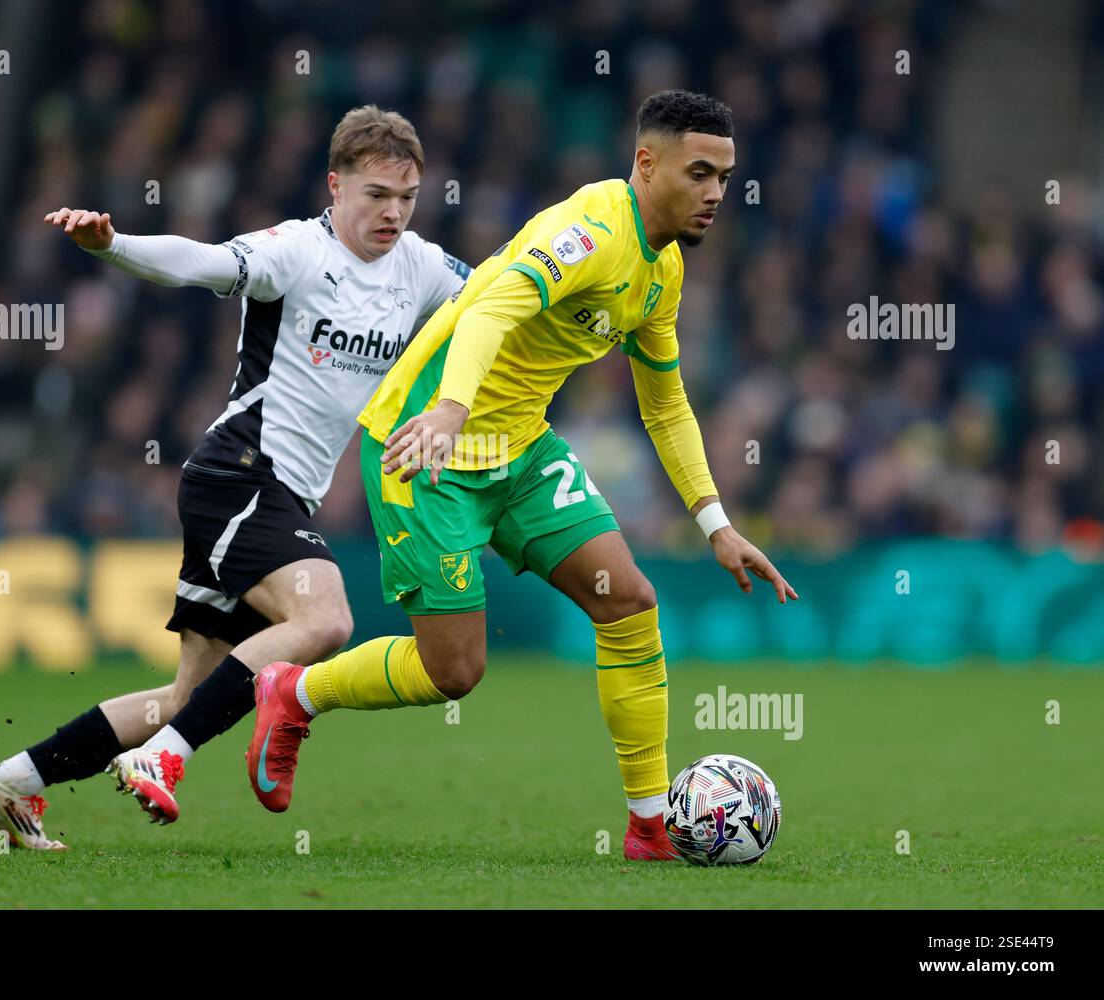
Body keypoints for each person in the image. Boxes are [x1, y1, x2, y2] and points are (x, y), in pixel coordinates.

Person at [241, 90, 798, 862]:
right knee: (455, 672)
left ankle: (647, 828)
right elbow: (489, 310)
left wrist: (716, 523)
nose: (713, 194)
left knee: (631, 601)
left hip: (520, 450)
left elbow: (665, 403)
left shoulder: (661, 269)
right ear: (646, 163)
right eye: (699, 172)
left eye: (725, 178)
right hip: (424, 445)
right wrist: (451, 412)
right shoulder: (591, 232)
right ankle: (295, 693)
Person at [0, 106, 468, 849]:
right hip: (239, 476)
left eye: (407, 197)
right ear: (335, 186)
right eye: (375, 195)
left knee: (186, 697)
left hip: (278, 494)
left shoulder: (421, 266)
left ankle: (11, 782)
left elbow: (500, 299)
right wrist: (113, 246)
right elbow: (201, 261)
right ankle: (165, 759)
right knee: (325, 619)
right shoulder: (296, 250)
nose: (392, 212)